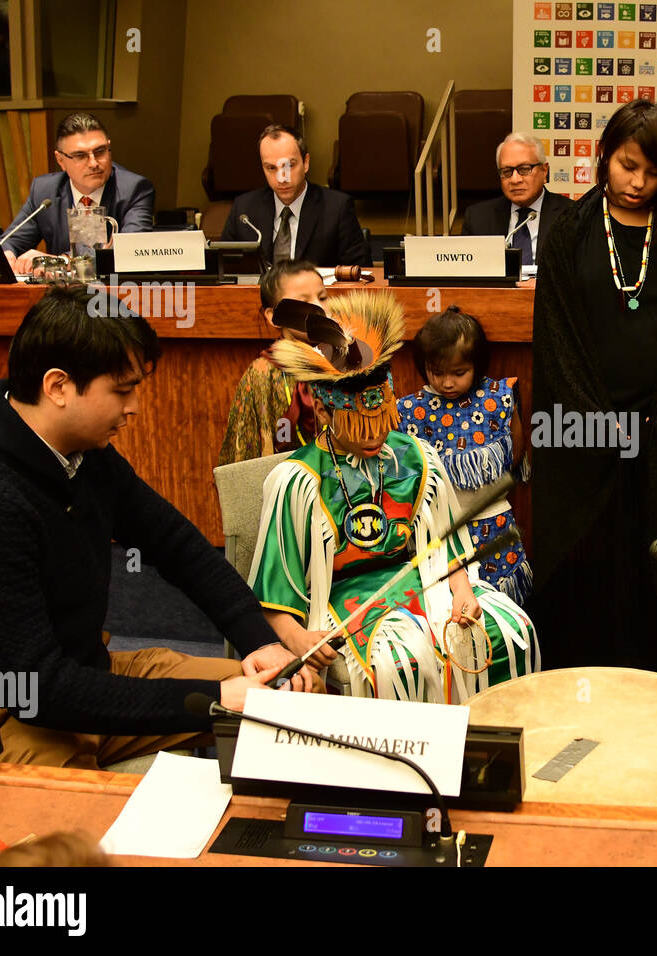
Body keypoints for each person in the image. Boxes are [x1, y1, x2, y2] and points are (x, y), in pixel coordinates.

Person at [0, 286, 320, 770]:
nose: (135, 406)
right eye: (122, 390)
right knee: (72, 841)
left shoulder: (84, 453)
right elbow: (41, 688)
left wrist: (258, 641)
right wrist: (218, 695)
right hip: (6, 718)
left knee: (287, 702)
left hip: (91, 673)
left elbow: (178, 547)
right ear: (57, 387)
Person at [530, 99, 657, 685]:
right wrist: (603, 426)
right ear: (605, 157)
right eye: (626, 166)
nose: (638, 183)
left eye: (652, 172)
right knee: (591, 580)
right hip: (586, 438)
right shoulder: (569, 230)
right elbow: (557, 341)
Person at [250, 290, 538, 701]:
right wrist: (297, 637)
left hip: (426, 583)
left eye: (381, 423)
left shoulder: (417, 459)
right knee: (400, 660)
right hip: (346, 598)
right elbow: (274, 588)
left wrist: (464, 592)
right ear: (327, 412)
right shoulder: (298, 481)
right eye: (360, 427)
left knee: (510, 632)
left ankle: (489, 755)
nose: (373, 437)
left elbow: (447, 543)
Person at [398, 306, 531, 605]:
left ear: (477, 364)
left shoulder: (499, 398)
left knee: (501, 608)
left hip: (494, 521)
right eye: (437, 372)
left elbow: (515, 455)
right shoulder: (408, 410)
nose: (447, 383)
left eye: (459, 373)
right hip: (439, 533)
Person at [1, 113, 154, 274]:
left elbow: (129, 252)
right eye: (80, 156)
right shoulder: (45, 191)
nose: (94, 163)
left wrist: (60, 262)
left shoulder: (134, 189)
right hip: (61, 296)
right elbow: (9, 242)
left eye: (100, 151)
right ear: (61, 160)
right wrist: (7, 254)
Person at [218, 259, 328, 465]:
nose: (318, 307)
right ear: (273, 315)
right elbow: (243, 450)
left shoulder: (345, 362)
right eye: (304, 302)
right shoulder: (263, 373)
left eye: (322, 297)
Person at [219, 124, 368, 268]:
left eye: (289, 165)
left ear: (306, 163)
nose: (282, 177)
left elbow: (361, 276)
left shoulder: (337, 208)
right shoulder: (244, 209)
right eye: (271, 168)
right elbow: (223, 270)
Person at [461, 132, 574, 265]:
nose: (515, 180)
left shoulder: (571, 215)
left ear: (544, 171)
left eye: (525, 169)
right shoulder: (478, 218)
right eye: (507, 172)